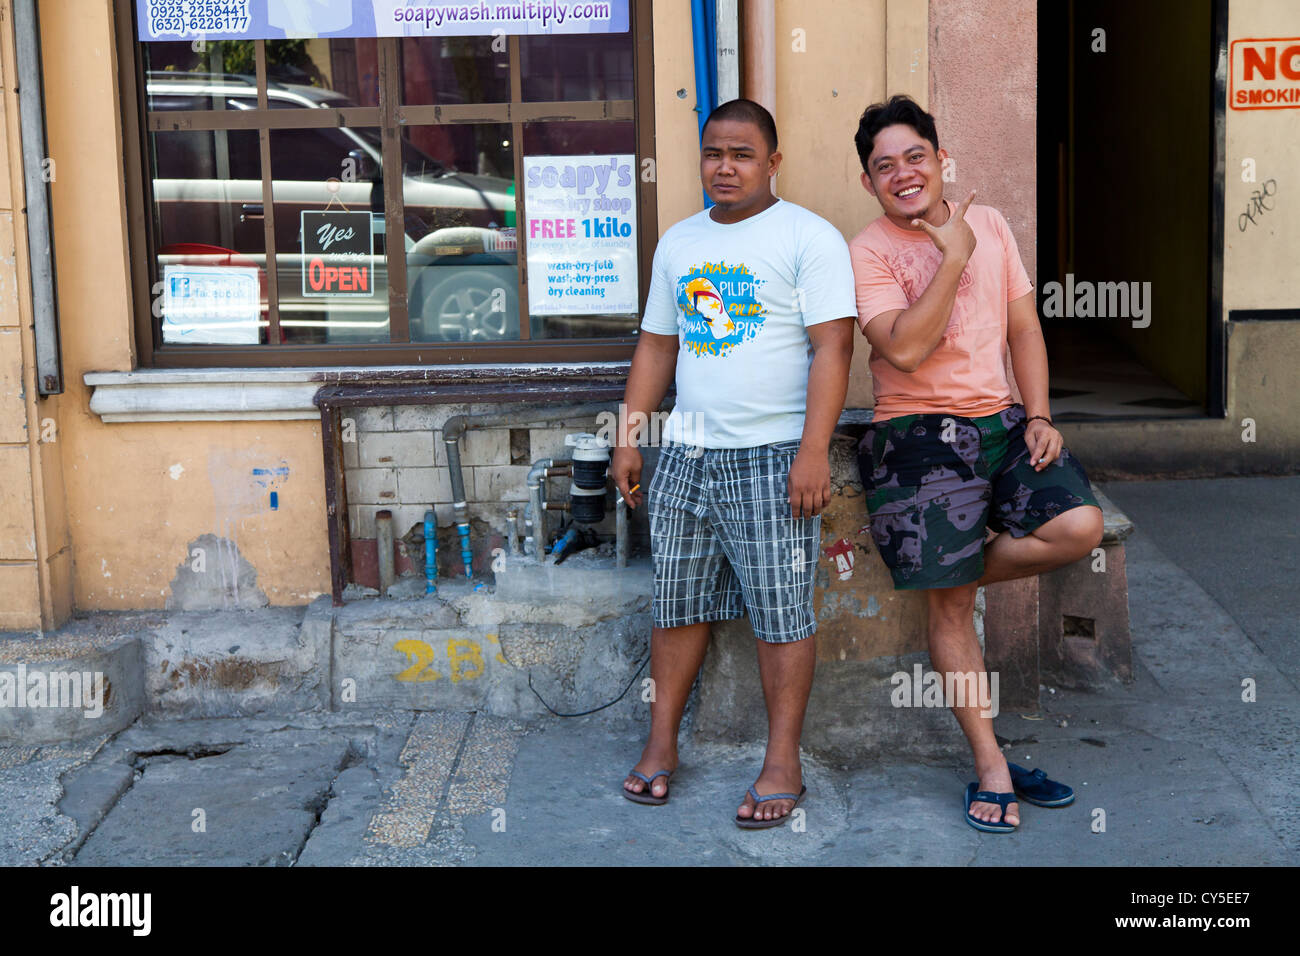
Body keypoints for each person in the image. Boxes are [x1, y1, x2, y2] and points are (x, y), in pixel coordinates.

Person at [850, 95, 1103, 832]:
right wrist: (950, 254)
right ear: (869, 182)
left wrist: (1042, 412)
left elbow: (1024, 327)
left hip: (1001, 423)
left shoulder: (990, 223)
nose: (902, 173)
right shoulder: (868, 250)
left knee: (1081, 526)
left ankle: (947, 561)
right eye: (883, 166)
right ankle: (991, 764)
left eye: (914, 156)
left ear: (940, 157)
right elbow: (902, 348)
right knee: (953, 607)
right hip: (916, 436)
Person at [613, 98, 856, 827]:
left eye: (742, 154)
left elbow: (835, 348)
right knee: (676, 605)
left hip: (775, 455)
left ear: (772, 162)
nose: (725, 165)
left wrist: (814, 450)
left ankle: (783, 763)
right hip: (687, 454)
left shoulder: (809, 237)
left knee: (780, 613)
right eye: (714, 152)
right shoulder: (680, 243)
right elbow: (658, 345)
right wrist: (630, 435)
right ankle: (662, 745)